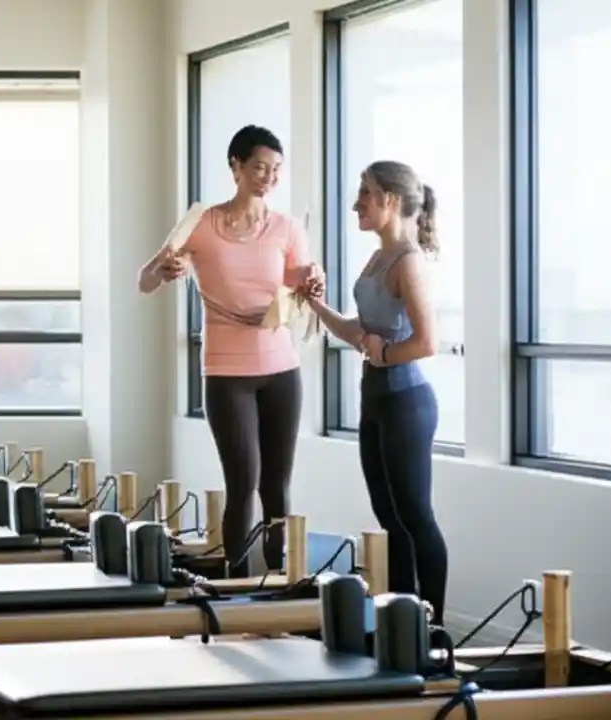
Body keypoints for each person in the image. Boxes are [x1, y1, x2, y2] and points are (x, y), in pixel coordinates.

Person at [137, 125, 322, 577]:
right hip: (225, 372)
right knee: (243, 483)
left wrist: (313, 281)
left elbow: (302, 291)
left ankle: (281, 582)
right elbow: (144, 280)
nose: (268, 177)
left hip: (282, 368)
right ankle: (235, 589)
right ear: (235, 167)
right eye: (259, 166)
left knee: (277, 486)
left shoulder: (287, 227)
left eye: (276, 169)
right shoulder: (200, 223)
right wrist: (166, 268)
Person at [306, 160, 449, 624]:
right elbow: (360, 332)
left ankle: (435, 629)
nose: (356, 204)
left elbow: (427, 342)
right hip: (376, 399)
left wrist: (381, 354)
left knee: (415, 518)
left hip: (407, 401)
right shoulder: (377, 257)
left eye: (364, 194)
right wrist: (314, 304)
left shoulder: (408, 261)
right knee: (390, 520)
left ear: (390, 200)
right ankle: (404, 626)